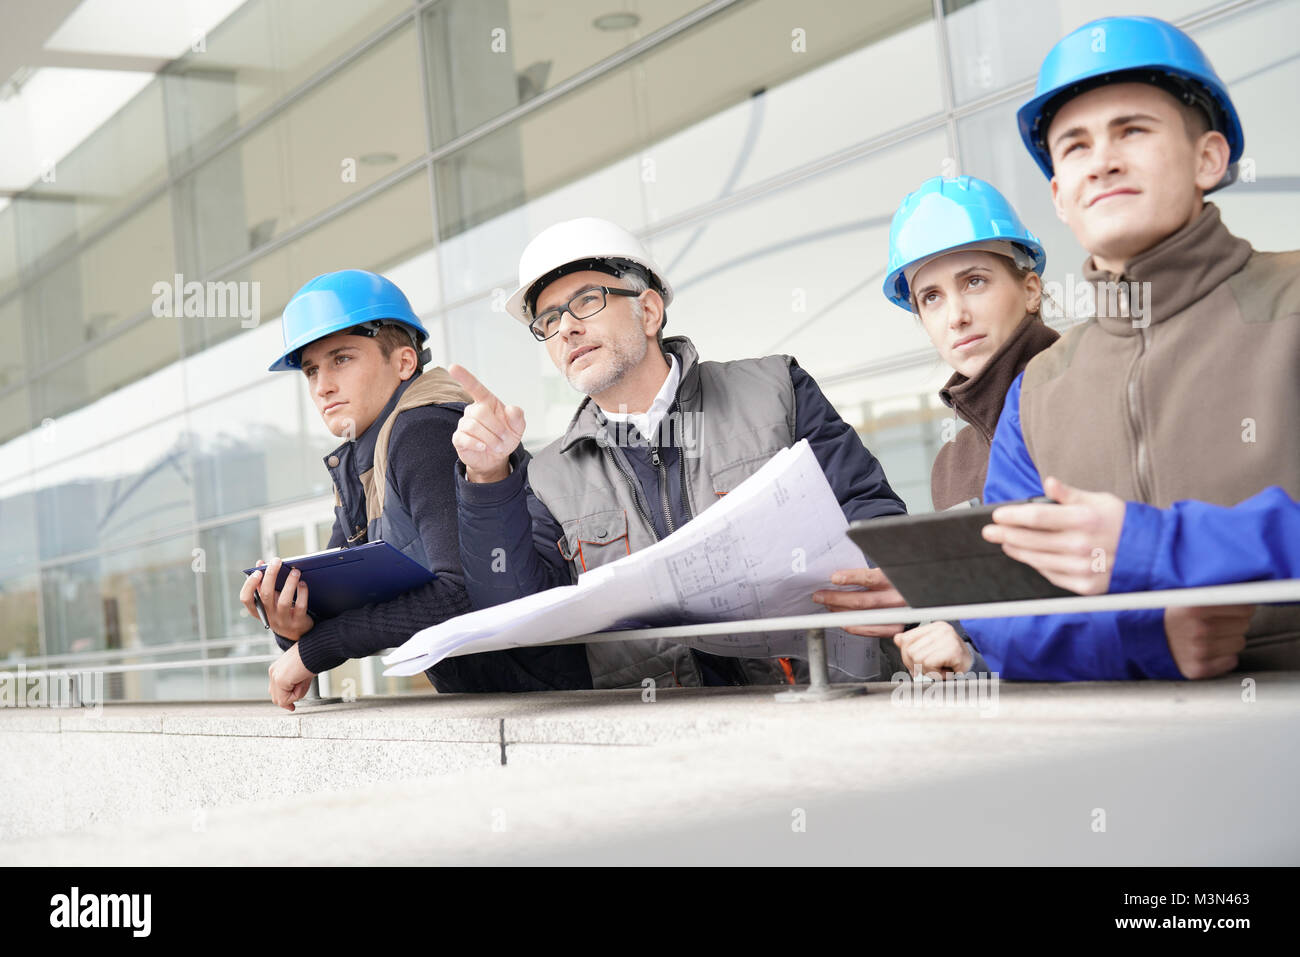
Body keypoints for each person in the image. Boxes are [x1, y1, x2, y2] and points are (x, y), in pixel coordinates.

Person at [962, 15, 1300, 679]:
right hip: (1138, 765)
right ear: (1060, 196)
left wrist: (1158, 547)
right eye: (1076, 146)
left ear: (1209, 157)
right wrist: (1145, 639)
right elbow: (995, 610)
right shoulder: (1038, 390)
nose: (1103, 161)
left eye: (1133, 131)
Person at [449, 217, 907, 690]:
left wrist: (887, 591)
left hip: (828, 703)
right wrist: (489, 480)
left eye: (586, 301)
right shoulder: (548, 477)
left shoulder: (776, 391)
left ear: (648, 311)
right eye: (547, 320)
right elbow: (519, 618)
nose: (565, 328)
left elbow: (869, 514)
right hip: (670, 734)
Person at [239, 269, 518, 710]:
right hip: (494, 699)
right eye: (311, 370)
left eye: (341, 359)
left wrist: (312, 651)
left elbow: (464, 594)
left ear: (404, 362)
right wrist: (289, 617)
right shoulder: (360, 460)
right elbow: (340, 607)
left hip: (546, 693)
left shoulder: (423, 430)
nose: (322, 385)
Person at [813, 176, 1059, 676]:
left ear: (1030, 290)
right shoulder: (954, 463)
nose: (957, 316)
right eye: (931, 298)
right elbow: (991, 612)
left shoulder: (1085, 398)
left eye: (975, 282)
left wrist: (978, 655)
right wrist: (955, 646)